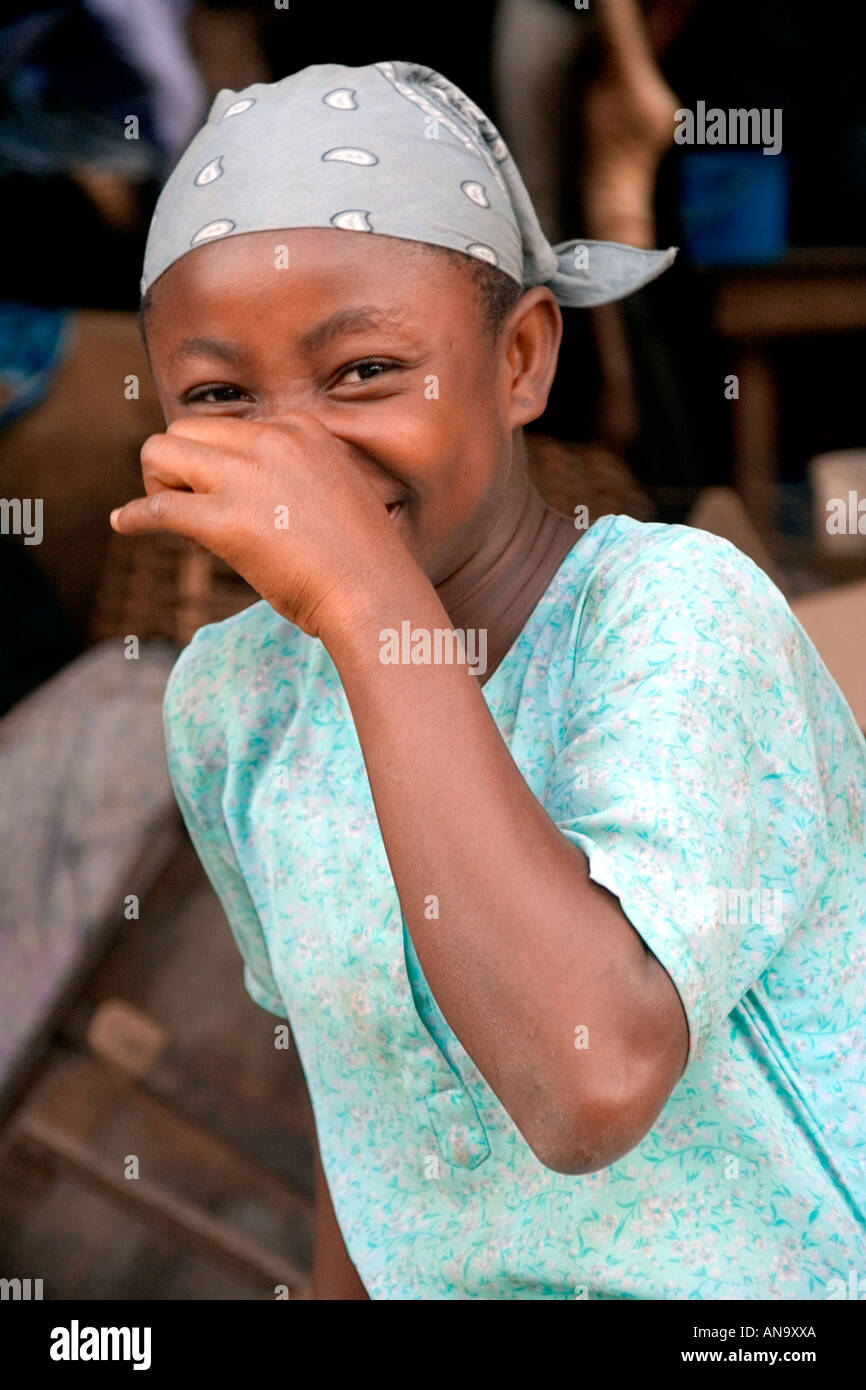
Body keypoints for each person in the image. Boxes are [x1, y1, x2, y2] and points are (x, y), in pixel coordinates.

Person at [110, 60, 865, 1300]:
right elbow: (360, 1119)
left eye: (362, 371)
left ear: (519, 359)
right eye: (219, 397)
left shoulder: (675, 615)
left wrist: (366, 601)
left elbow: (591, 1085)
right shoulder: (232, 703)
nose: (293, 451)